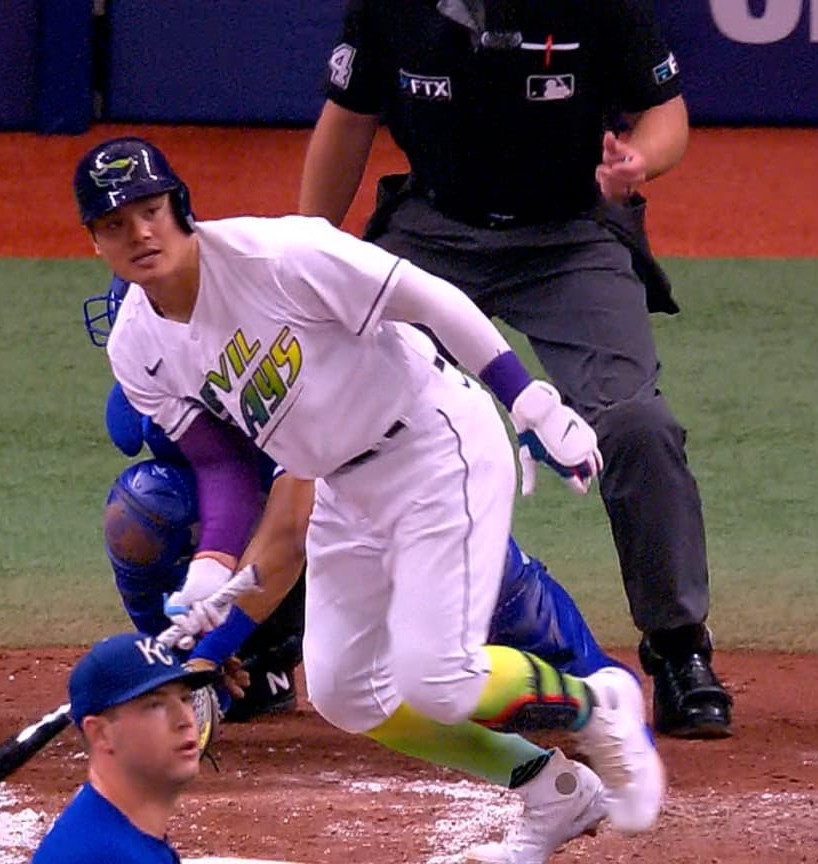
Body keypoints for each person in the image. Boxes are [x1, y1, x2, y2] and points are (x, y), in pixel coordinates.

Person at [71, 135, 665, 864]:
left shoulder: (278, 256)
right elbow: (221, 466)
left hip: (431, 442)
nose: (139, 233)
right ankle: (553, 790)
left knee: (437, 678)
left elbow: (432, 298)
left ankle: (598, 702)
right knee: (346, 691)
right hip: (343, 486)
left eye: (150, 211)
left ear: (179, 206)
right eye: (114, 223)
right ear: (94, 240)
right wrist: (209, 570)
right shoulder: (136, 345)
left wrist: (527, 399)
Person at [297, 0, 733, 739]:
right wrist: (308, 251)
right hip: (434, 230)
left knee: (637, 425)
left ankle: (678, 646)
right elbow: (348, 120)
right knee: (331, 407)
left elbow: (665, 110)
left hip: (571, 236)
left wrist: (640, 160)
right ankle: (273, 640)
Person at [30, 631, 221, 864]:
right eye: (155, 705)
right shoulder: (100, 856)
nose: (185, 719)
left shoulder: (120, 835)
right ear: (101, 734)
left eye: (185, 698)